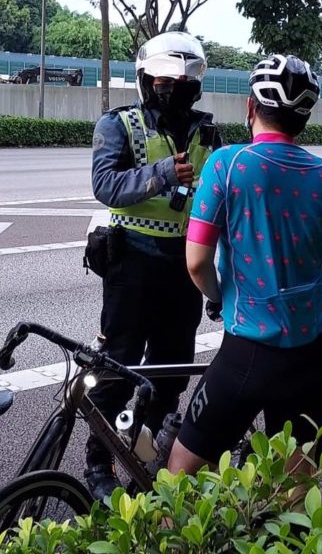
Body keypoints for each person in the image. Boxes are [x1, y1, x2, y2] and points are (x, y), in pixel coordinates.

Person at [168, 54, 322, 475]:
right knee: (296, 485)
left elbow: (197, 263)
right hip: (317, 350)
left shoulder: (227, 164)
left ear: (250, 107)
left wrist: (219, 296)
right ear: (304, 119)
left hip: (251, 352)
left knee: (180, 473)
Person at [86, 31, 222, 499]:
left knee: (172, 370)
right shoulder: (119, 124)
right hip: (132, 261)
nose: (172, 90)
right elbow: (105, 185)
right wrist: (163, 173)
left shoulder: (207, 132)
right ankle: (98, 463)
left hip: (185, 265)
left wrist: (217, 279)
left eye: (182, 82)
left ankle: (149, 453)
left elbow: (218, 204)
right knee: (117, 366)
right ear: (146, 80)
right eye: (163, 81)